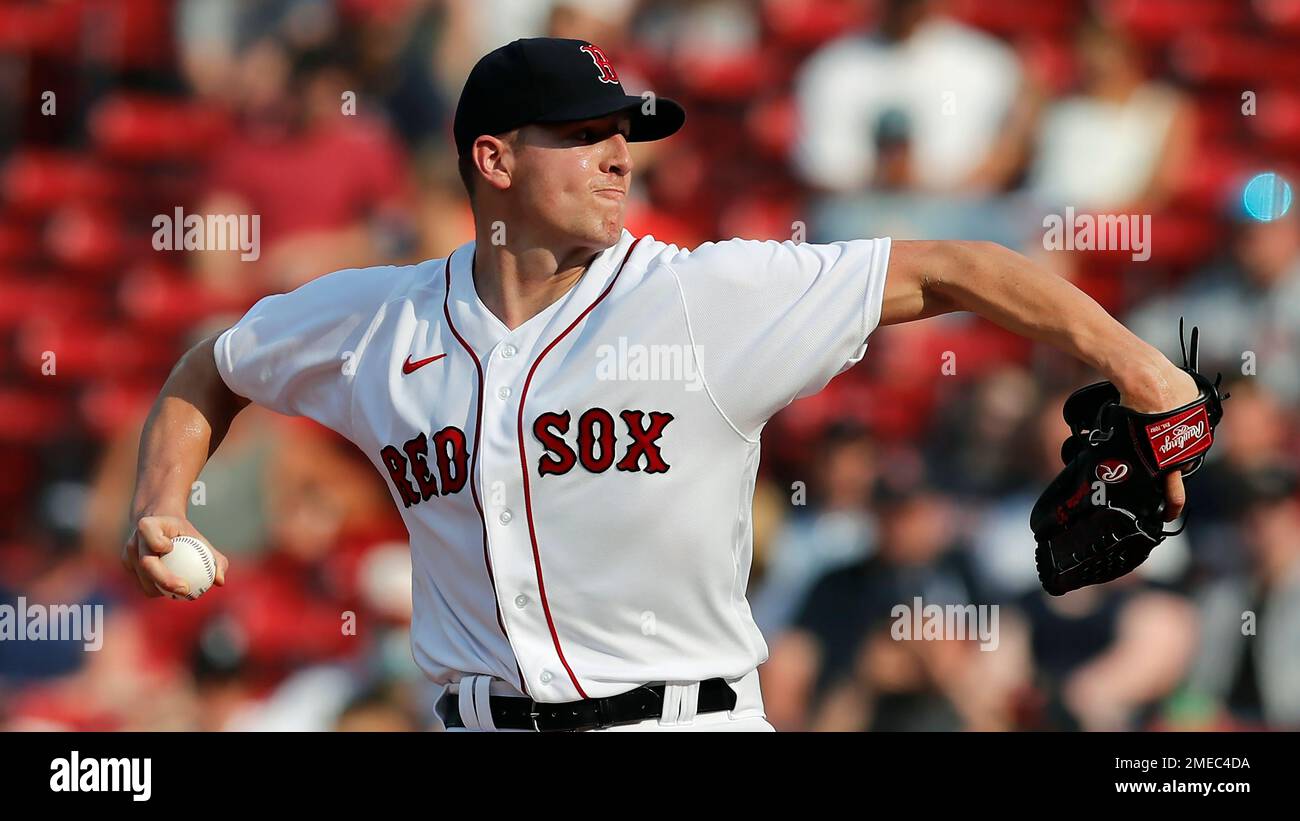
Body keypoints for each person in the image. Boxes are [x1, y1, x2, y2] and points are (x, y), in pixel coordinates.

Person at [121, 37, 1202, 732]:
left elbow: (963, 266)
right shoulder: (375, 317)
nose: (617, 157)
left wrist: (1145, 372)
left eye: (623, 135)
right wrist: (160, 506)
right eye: (584, 134)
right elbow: (209, 366)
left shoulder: (706, 297)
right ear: (493, 162)